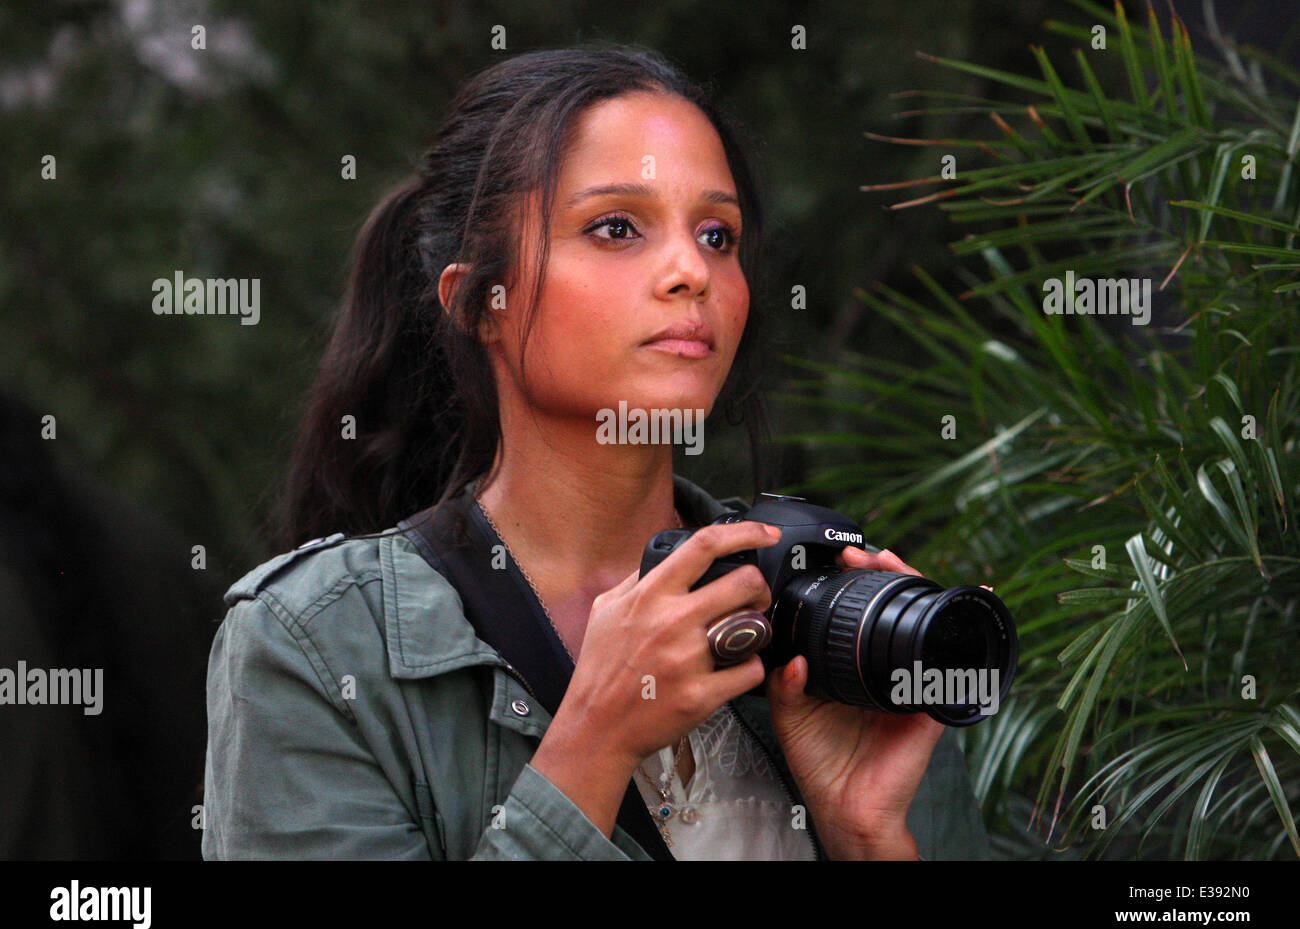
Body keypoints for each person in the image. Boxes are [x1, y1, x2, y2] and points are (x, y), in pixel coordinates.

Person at [201, 43, 990, 860]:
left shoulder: (836, 624)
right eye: (617, 227)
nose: (692, 271)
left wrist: (865, 837)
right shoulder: (314, 644)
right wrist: (595, 741)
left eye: (718, 235)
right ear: (481, 304)